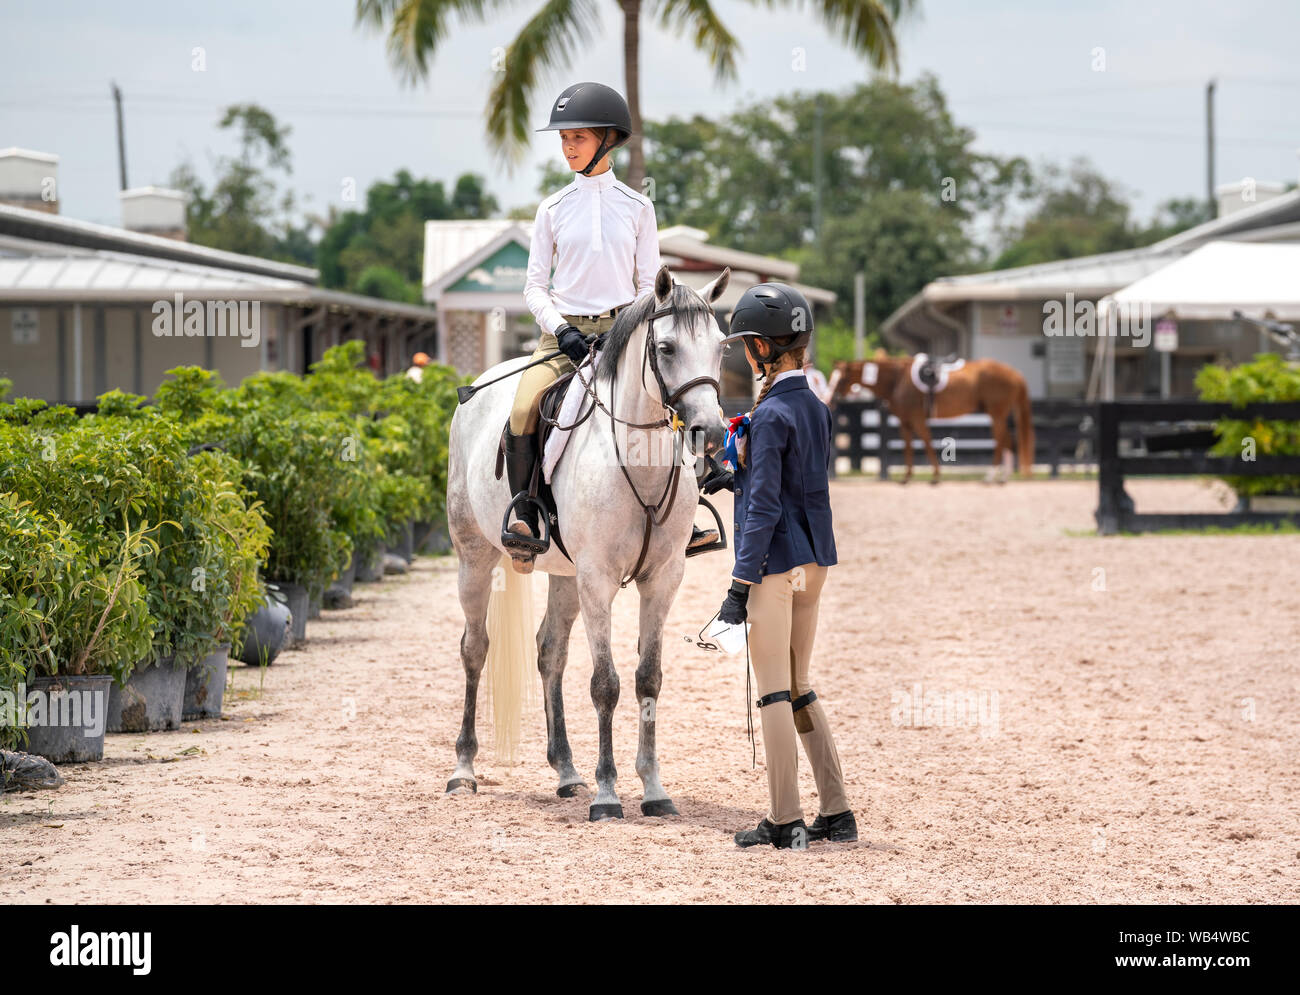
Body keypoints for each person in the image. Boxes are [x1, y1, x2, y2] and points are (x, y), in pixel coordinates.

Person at [503, 81, 719, 572]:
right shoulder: (551, 209)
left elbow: (650, 284)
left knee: (674, 400)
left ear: (607, 139)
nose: (567, 147)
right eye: (563, 139)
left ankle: (693, 509)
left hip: (626, 337)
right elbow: (534, 287)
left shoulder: (638, 207)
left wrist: (625, 328)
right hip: (563, 337)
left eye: (576, 137)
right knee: (523, 406)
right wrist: (562, 331)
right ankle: (526, 513)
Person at [709, 283, 856, 850]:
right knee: (800, 686)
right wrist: (736, 476)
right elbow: (792, 484)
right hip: (814, 564)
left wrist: (738, 586)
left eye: (748, 343)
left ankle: (784, 817)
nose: (746, 353)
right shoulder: (813, 407)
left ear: (763, 350)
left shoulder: (769, 415)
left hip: (774, 568)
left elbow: (767, 508)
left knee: (772, 691)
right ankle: (837, 812)